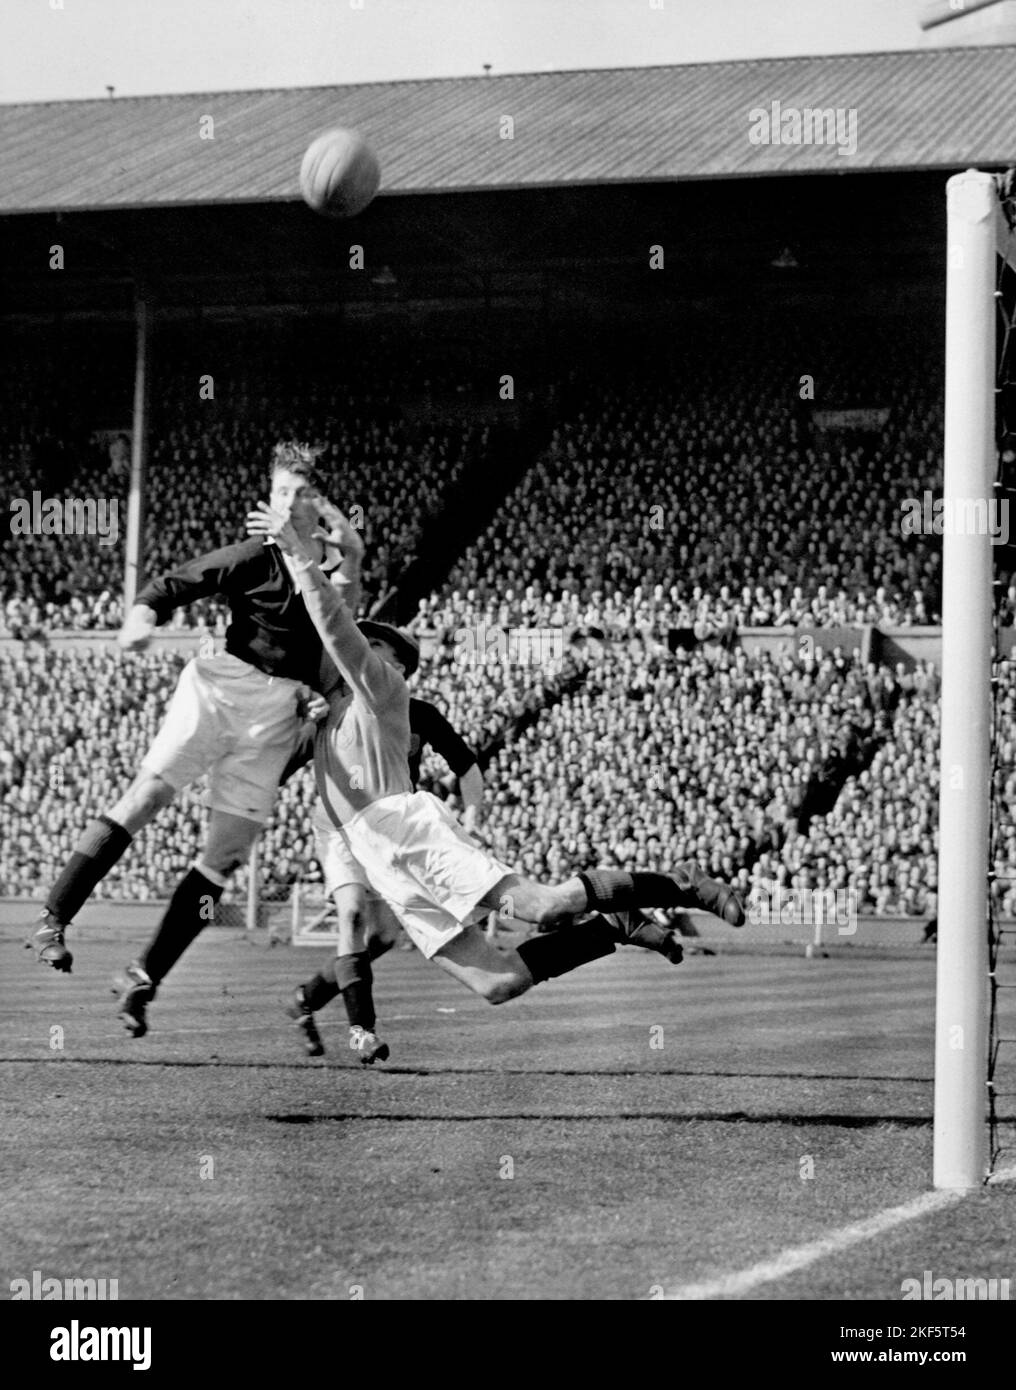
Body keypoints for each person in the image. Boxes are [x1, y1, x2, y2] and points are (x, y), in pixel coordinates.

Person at [250, 501, 745, 1035]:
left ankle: (679, 883)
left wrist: (302, 556)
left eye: (374, 642)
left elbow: (332, 621)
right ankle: (612, 927)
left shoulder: (383, 689)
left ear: (395, 662)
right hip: (375, 854)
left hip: (406, 830)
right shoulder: (329, 711)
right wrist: (342, 560)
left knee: (544, 907)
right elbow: (325, 631)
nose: (360, 645)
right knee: (498, 983)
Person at [24, 442, 362, 1033]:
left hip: (277, 715)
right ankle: (53, 918)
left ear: (320, 502)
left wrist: (352, 558)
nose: (285, 502)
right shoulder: (254, 555)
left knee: (225, 856)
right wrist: (138, 622)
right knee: (149, 795)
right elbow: (170, 586)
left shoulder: (333, 570)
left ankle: (143, 976)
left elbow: (341, 641)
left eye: (299, 492)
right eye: (279, 491)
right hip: (221, 687)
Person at [285, 691, 484, 1062]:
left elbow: (466, 766)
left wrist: (471, 819)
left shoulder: (419, 713)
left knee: (382, 937)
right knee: (352, 915)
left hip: (389, 829)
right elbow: (282, 763)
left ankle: (306, 998)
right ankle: (362, 1033)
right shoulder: (335, 715)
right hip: (340, 825)